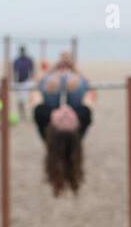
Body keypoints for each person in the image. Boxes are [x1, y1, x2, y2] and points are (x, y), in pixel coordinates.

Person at [31, 52, 92, 195]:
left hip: (50, 94)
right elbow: (90, 93)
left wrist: (51, 70)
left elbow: (34, 94)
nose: (64, 111)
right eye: (68, 118)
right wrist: (74, 69)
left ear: (52, 127)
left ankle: (59, 78)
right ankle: (65, 77)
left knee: (52, 84)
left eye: (61, 118)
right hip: (73, 93)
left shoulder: (44, 117)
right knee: (73, 84)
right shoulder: (81, 117)